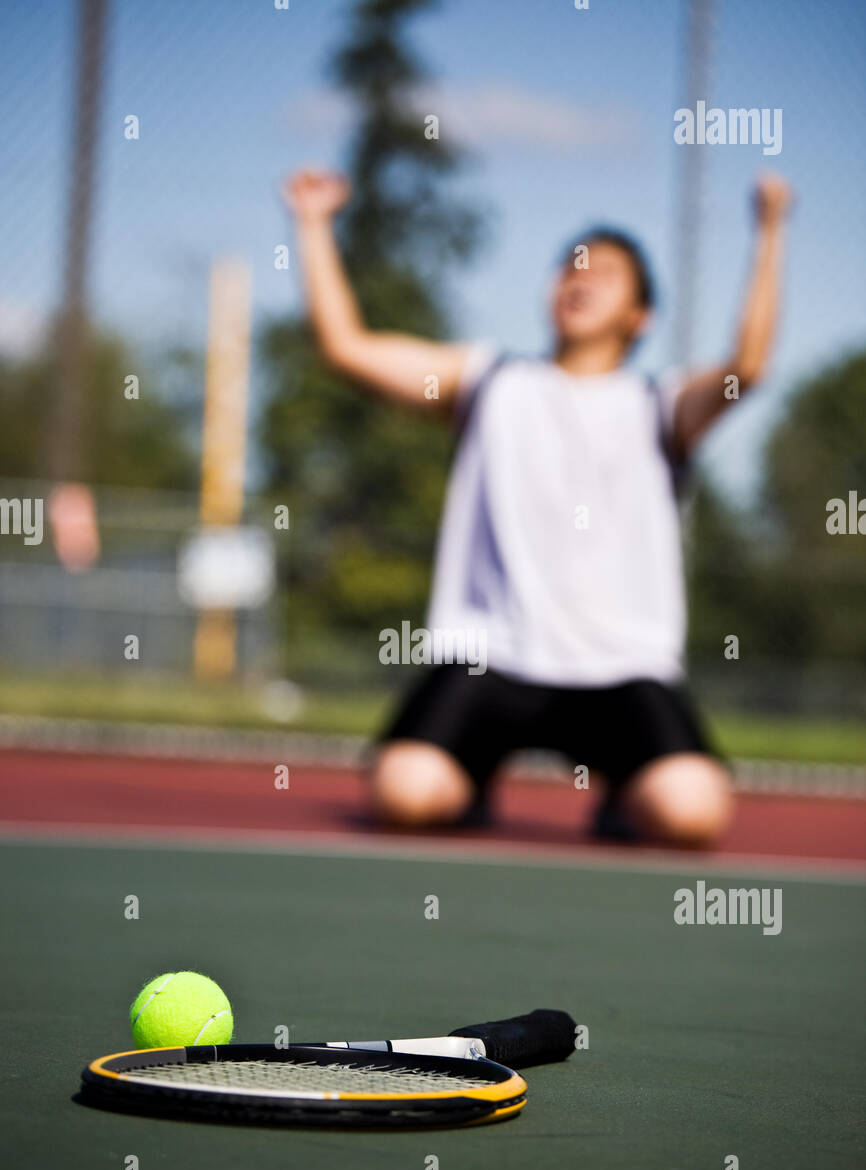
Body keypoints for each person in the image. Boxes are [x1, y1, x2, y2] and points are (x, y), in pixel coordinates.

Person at [284, 168, 793, 847]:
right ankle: (471, 783)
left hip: (619, 668)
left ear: (640, 317)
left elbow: (747, 368)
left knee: (693, 814)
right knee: (404, 796)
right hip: (491, 657)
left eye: (605, 273)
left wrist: (770, 230)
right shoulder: (489, 383)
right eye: (569, 268)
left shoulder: (658, 408)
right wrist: (314, 222)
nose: (579, 280)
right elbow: (348, 348)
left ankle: (621, 796)